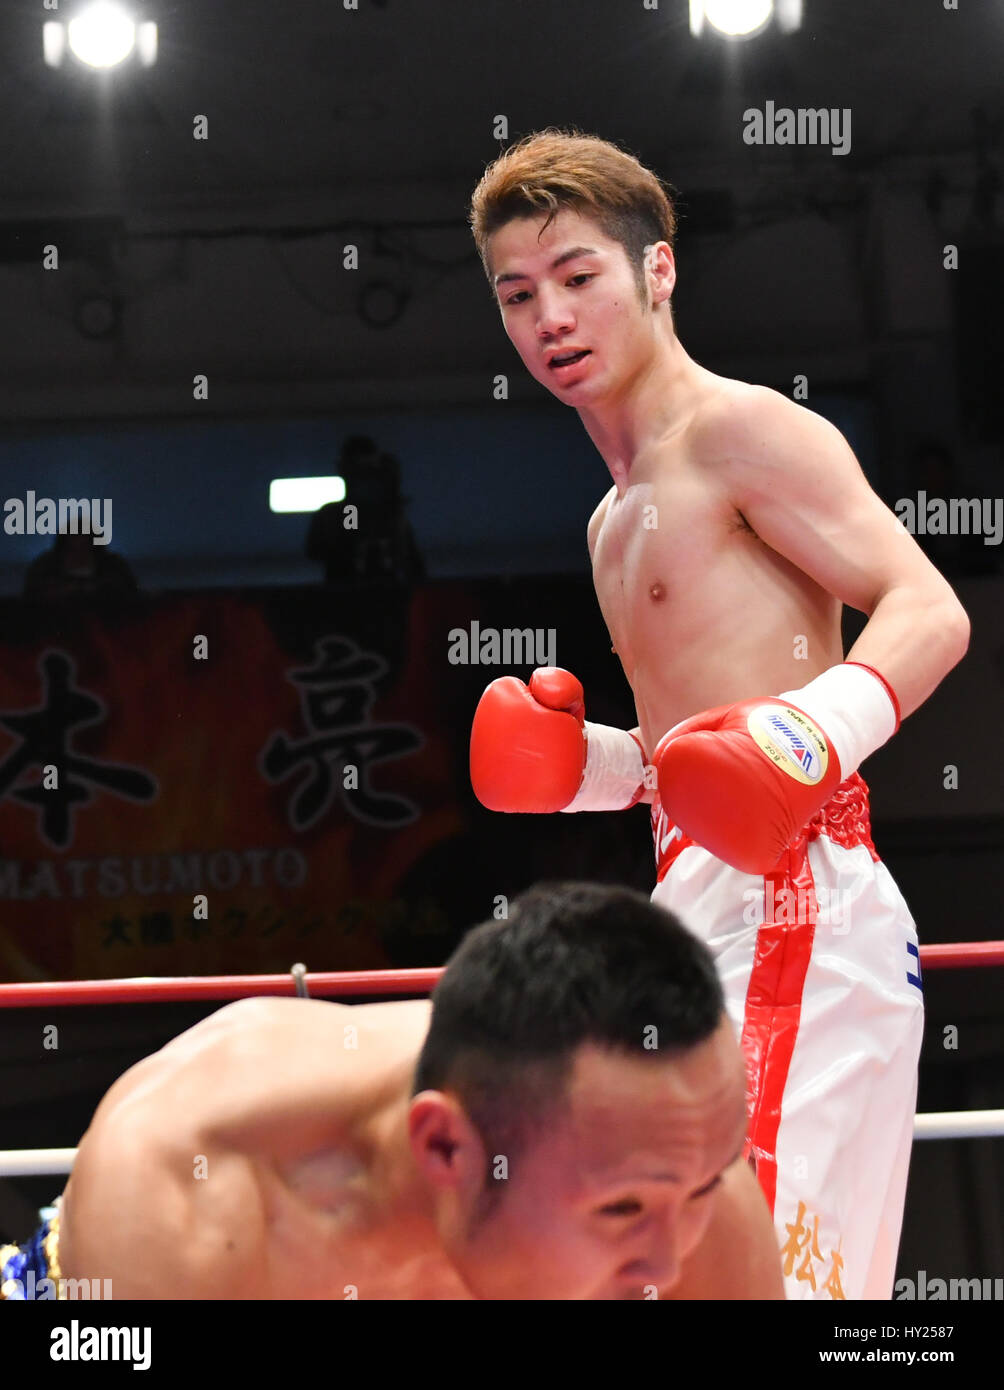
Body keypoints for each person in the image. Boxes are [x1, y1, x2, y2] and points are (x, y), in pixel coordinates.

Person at [466, 129, 971, 1299]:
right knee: (747, 1277)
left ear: (657, 272)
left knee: (736, 1273)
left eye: (578, 277)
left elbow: (927, 608)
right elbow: (686, 757)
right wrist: (582, 766)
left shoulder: (740, 431)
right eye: (518, 294)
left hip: (798, 888)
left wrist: (805, 736)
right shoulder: (611, 518)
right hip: (699, 896)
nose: (550, 316)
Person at [1, 883, 782, 1301]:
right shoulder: (185, 1193)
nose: (667, 1266)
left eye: (704, 1188)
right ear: (445, 1147)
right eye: (620, 1211)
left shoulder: (672, 1165)